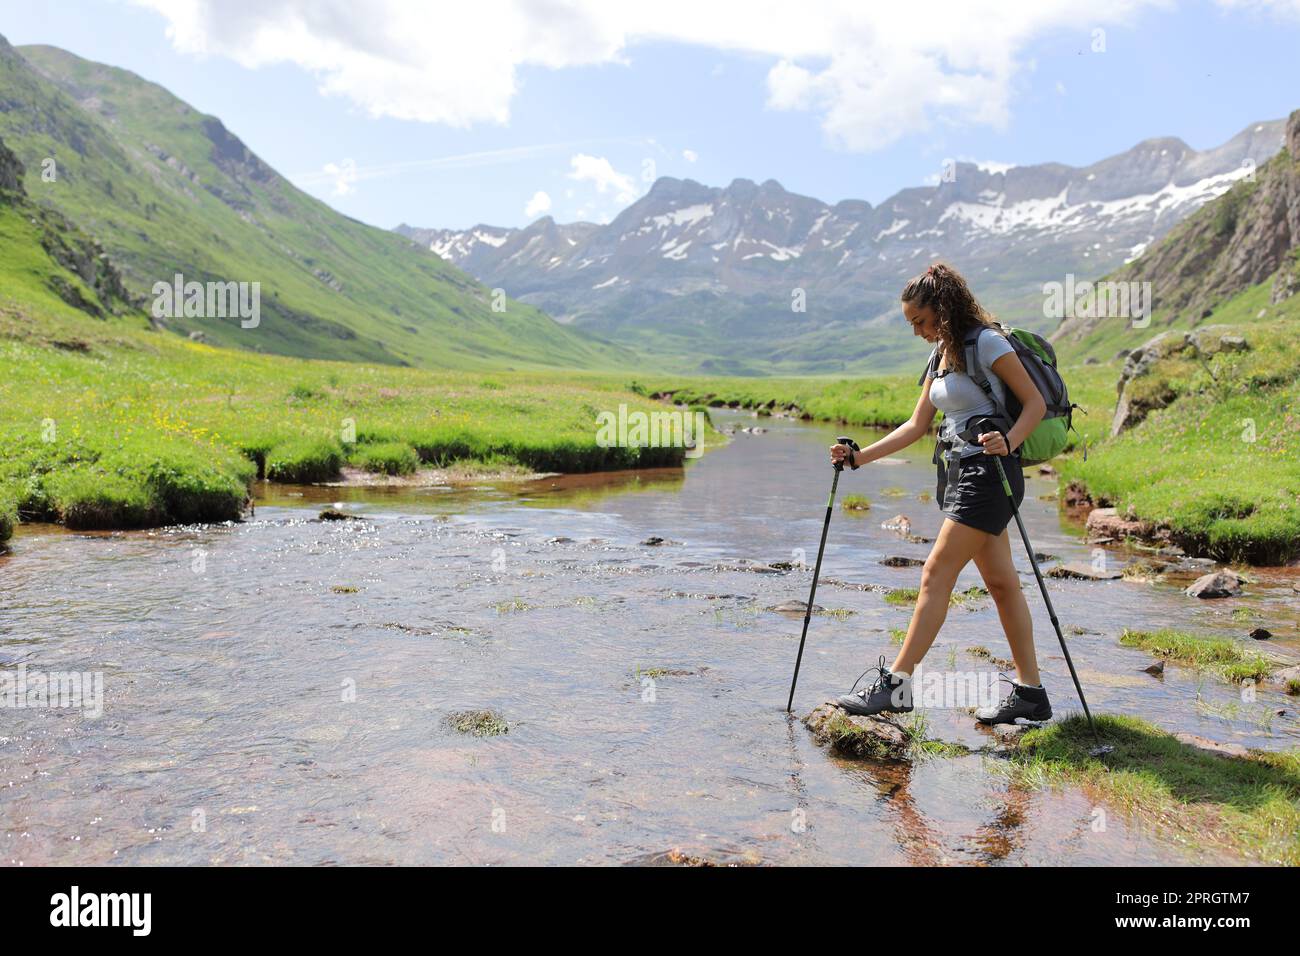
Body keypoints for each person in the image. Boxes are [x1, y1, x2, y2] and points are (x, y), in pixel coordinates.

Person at [830, 263, 1050, 725]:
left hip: (991, 474)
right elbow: (916, 426)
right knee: (1003, 584)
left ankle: (896, 685)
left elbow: (1035, 403)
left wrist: (1009, 441)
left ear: (943, 310)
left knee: (935, 573)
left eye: (920, 321)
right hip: (960, 473)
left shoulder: (987, 343)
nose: (916, 331)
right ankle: (1031, 694)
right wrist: (858, 457)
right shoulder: (941, 355)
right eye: (910, 323)